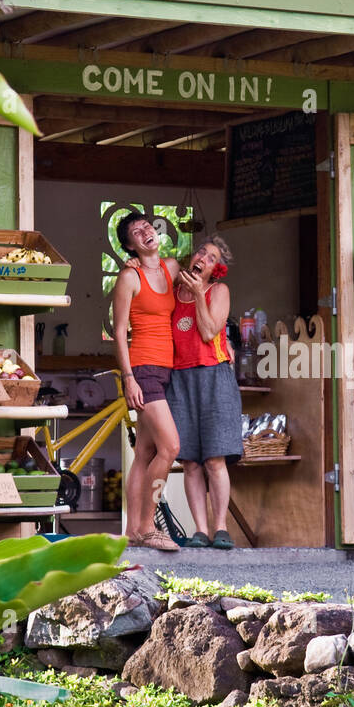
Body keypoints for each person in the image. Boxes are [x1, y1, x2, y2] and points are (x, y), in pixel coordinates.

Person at [167, 237, 244, 549]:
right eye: (201, 251)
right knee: (190, 462)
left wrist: (199, 294)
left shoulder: (218, 291)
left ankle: (220, 528)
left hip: (214, 374)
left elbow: (210, 331)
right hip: (179, 378)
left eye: (211, 258)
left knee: (214, 459)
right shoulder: (172, 294)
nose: (203, 258)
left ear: (217, 270)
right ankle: (199, 530)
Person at [111, 211, 181, 551]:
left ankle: (130, 531)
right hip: (143, 369)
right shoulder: (129, 278)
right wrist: (129, 379)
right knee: (170, 447)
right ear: (130, 245)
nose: (145, 232)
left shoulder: (171, 267)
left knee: (144, 452)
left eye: (147, 227)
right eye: (136, 232)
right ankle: (149, 525)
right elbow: (119, 333)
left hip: (167, 369)